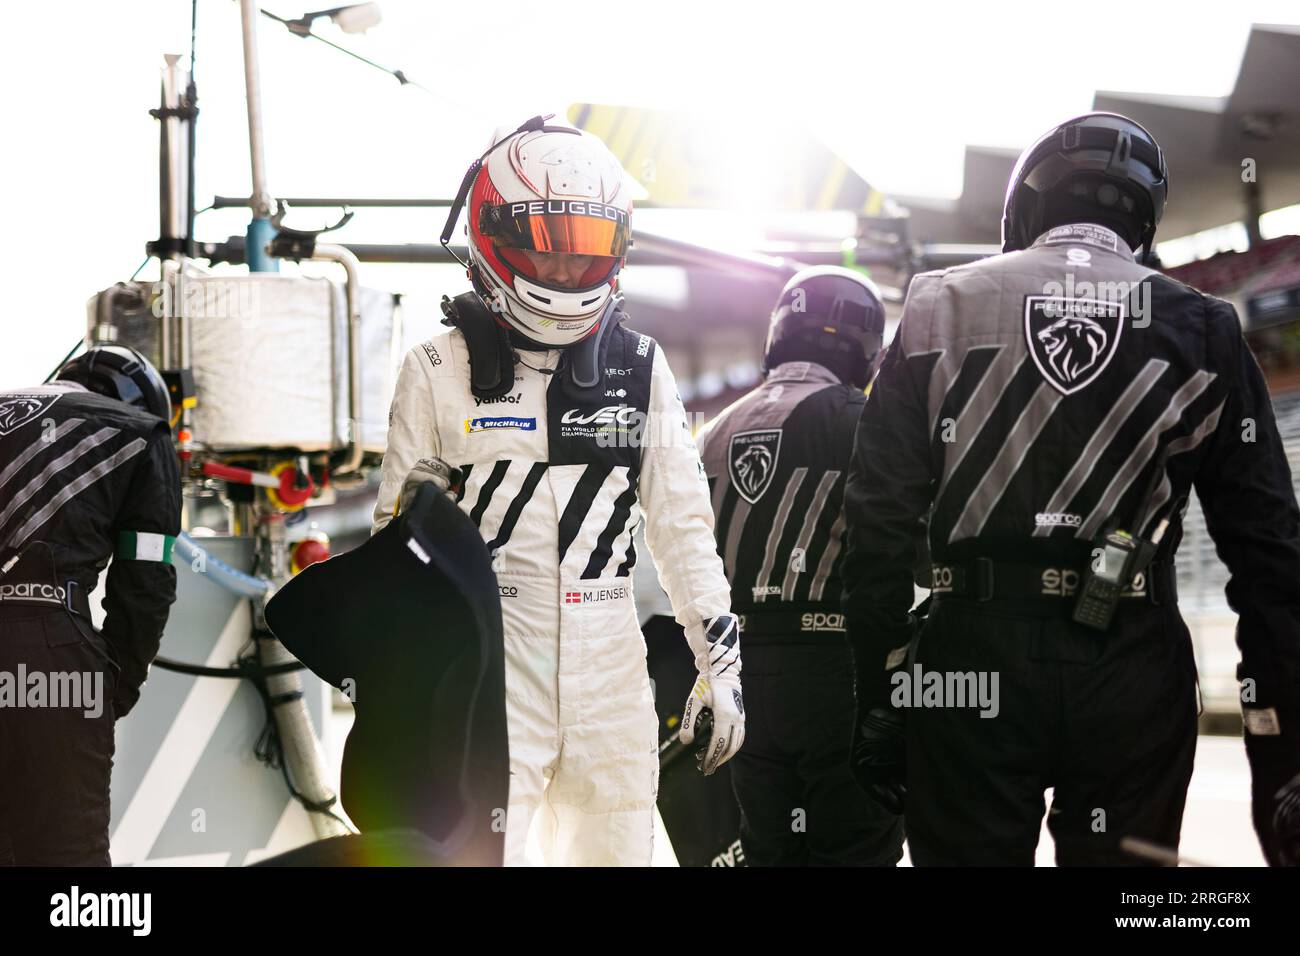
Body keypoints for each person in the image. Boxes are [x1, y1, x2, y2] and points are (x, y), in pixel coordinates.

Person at [840, 111, 1300, 866]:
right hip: (1133, 658)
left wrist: (882, 689)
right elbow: (1270, 554)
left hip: (969, 659)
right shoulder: (1206, 326)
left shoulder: (935, 306)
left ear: (1025, 205)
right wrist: (1282, 742)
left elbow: (876, 519)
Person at [374, 116, 743, 866]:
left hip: (611, 663)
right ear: (493, 236)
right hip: (487, 661)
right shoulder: (436, 370)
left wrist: (721, 664)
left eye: (589, 246)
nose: (570, 267)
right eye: (549, 244)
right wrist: (396, 688)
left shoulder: (642, 367)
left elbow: (681, 528)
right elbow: (395, 545)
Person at [694, 266, 903, 865]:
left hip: (738, 674)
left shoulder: (710, 434)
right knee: (858, 845)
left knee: (768, 847)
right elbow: (914, 551)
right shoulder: (866, 422)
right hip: (836, 670)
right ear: (867, 349)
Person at [0, 345, 180, 866]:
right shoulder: (139, 430)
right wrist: (113, 689)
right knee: (67, 860)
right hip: (51, 651)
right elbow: (145, 581)